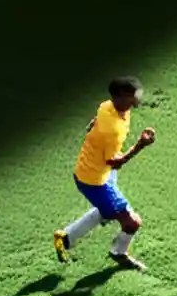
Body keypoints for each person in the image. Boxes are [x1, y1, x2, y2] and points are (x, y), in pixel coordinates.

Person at [53, 76, 154, 271]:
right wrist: (140, 145)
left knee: (106, 212)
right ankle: (118, 253)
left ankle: (65, 238)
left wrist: (93, 127)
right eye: (132, 96)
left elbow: (96, 119)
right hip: (95, 180)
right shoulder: (111, 129)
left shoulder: (107, 106)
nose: (136, 98)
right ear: (119, 97)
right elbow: (116, 162)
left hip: (93, 171)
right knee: (132, 223)